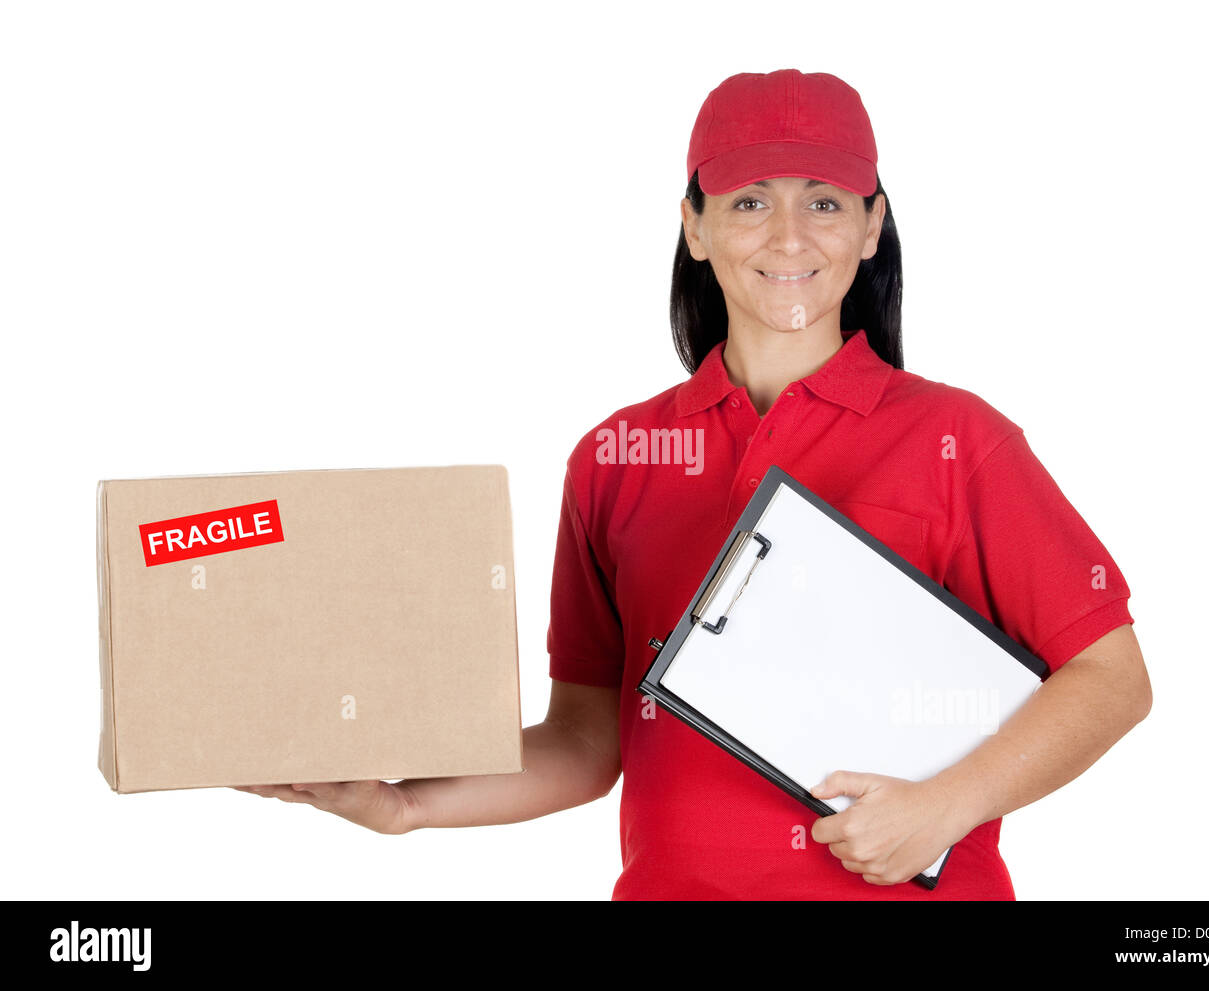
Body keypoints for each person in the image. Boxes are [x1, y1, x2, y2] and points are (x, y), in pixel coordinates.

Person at [234, 68, 1152, 900]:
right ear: (695, 224)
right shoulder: (616, 456)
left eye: (826, 203)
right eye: (749, 200)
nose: (789, 235)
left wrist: (946, 805)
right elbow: (588, 742)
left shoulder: (959, 438)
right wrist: (404, 807)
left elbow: (1111, 677)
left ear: (873, 226)